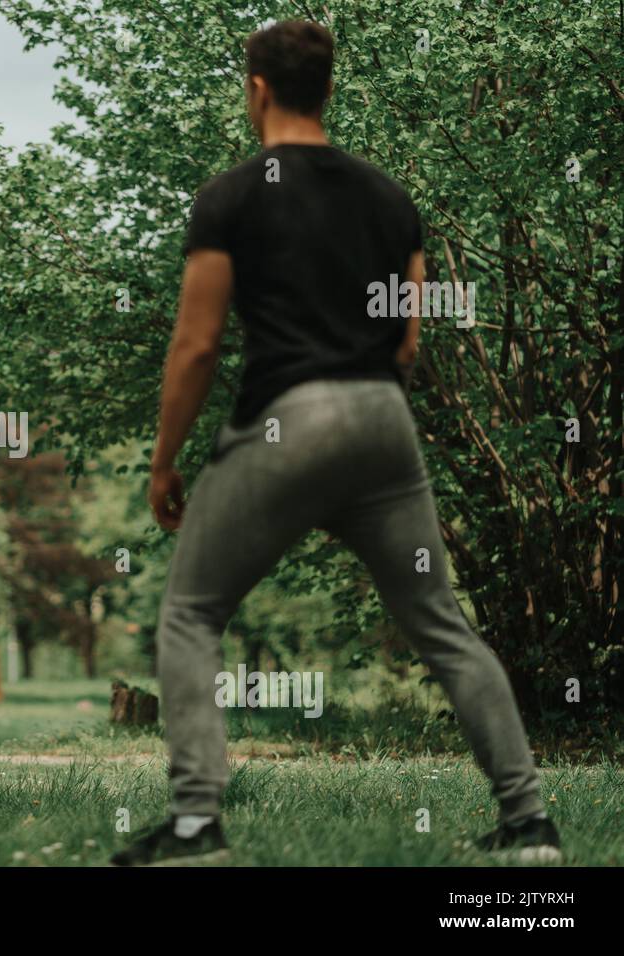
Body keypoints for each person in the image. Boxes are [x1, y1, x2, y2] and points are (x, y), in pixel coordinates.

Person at [111, 19, 559, 865]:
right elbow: (408, 342)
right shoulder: (389, 199)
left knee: (193, 614)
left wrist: (167, 461)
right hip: (384, 422)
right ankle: (529, 824)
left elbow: (198, 345)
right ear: (330, 90)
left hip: (289, 419)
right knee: (442, 625)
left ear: (256, 91)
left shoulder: (233, 195)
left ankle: (198, 827)